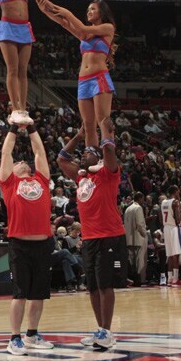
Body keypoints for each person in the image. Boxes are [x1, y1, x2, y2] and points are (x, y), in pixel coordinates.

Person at [57, 118, 126, 349]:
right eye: (83, 153)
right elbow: (61, 159)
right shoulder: (81, 177)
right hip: (89, 238)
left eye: (88, 153)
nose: (83, 156)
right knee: (93, 287)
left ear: (98, 158)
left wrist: (106, 132)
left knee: (105, 285)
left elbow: (109, 152)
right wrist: (79, 136)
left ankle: (107, 331)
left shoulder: (108, 174)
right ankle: (100, 330)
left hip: (108, 235)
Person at [0, 120, 55, 355]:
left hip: (43, 244)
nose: (21, 161)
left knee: (38, 294)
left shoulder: (41, 179)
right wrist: (13, 128)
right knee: (20, 295)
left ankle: (32, 334)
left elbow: (39, 152)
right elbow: (6, 152)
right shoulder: (9, 184)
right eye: (17, 162)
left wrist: (32, 128)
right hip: (20, 245)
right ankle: (14, 338)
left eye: (24, 161)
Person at [39, 0, 117, 148]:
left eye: (92, 9)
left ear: (102, 12)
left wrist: (67, 13)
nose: (89, 12)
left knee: (103, 121)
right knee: (88, 126)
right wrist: (45, 10)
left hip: (99, 78)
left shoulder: (108, 27)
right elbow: (63, 23)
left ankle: (108, 157)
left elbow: (80, 26)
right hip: (83, 81)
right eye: (88, 9)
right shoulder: (85, 35)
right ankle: (92, 156)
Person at [161, 186, 181, 286]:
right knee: (175, 254)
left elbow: (160, 218)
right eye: (178, 192)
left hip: (166, 228)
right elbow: (178, 219)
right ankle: (176, 279)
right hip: (173, 228)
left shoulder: (163, 202)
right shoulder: (175, 202)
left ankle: (169, 278)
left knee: (169, 254)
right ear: (175, 192)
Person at [123, 192, 148, 286]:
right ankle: (140, 280)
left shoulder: (128, 208)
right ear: (140, 198)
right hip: (138, 238)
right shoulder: (138, 208)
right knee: (140, 261)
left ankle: (134, 280)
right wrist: (144, 234)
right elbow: (140, 224)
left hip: (129, 239)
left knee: (132, 261)